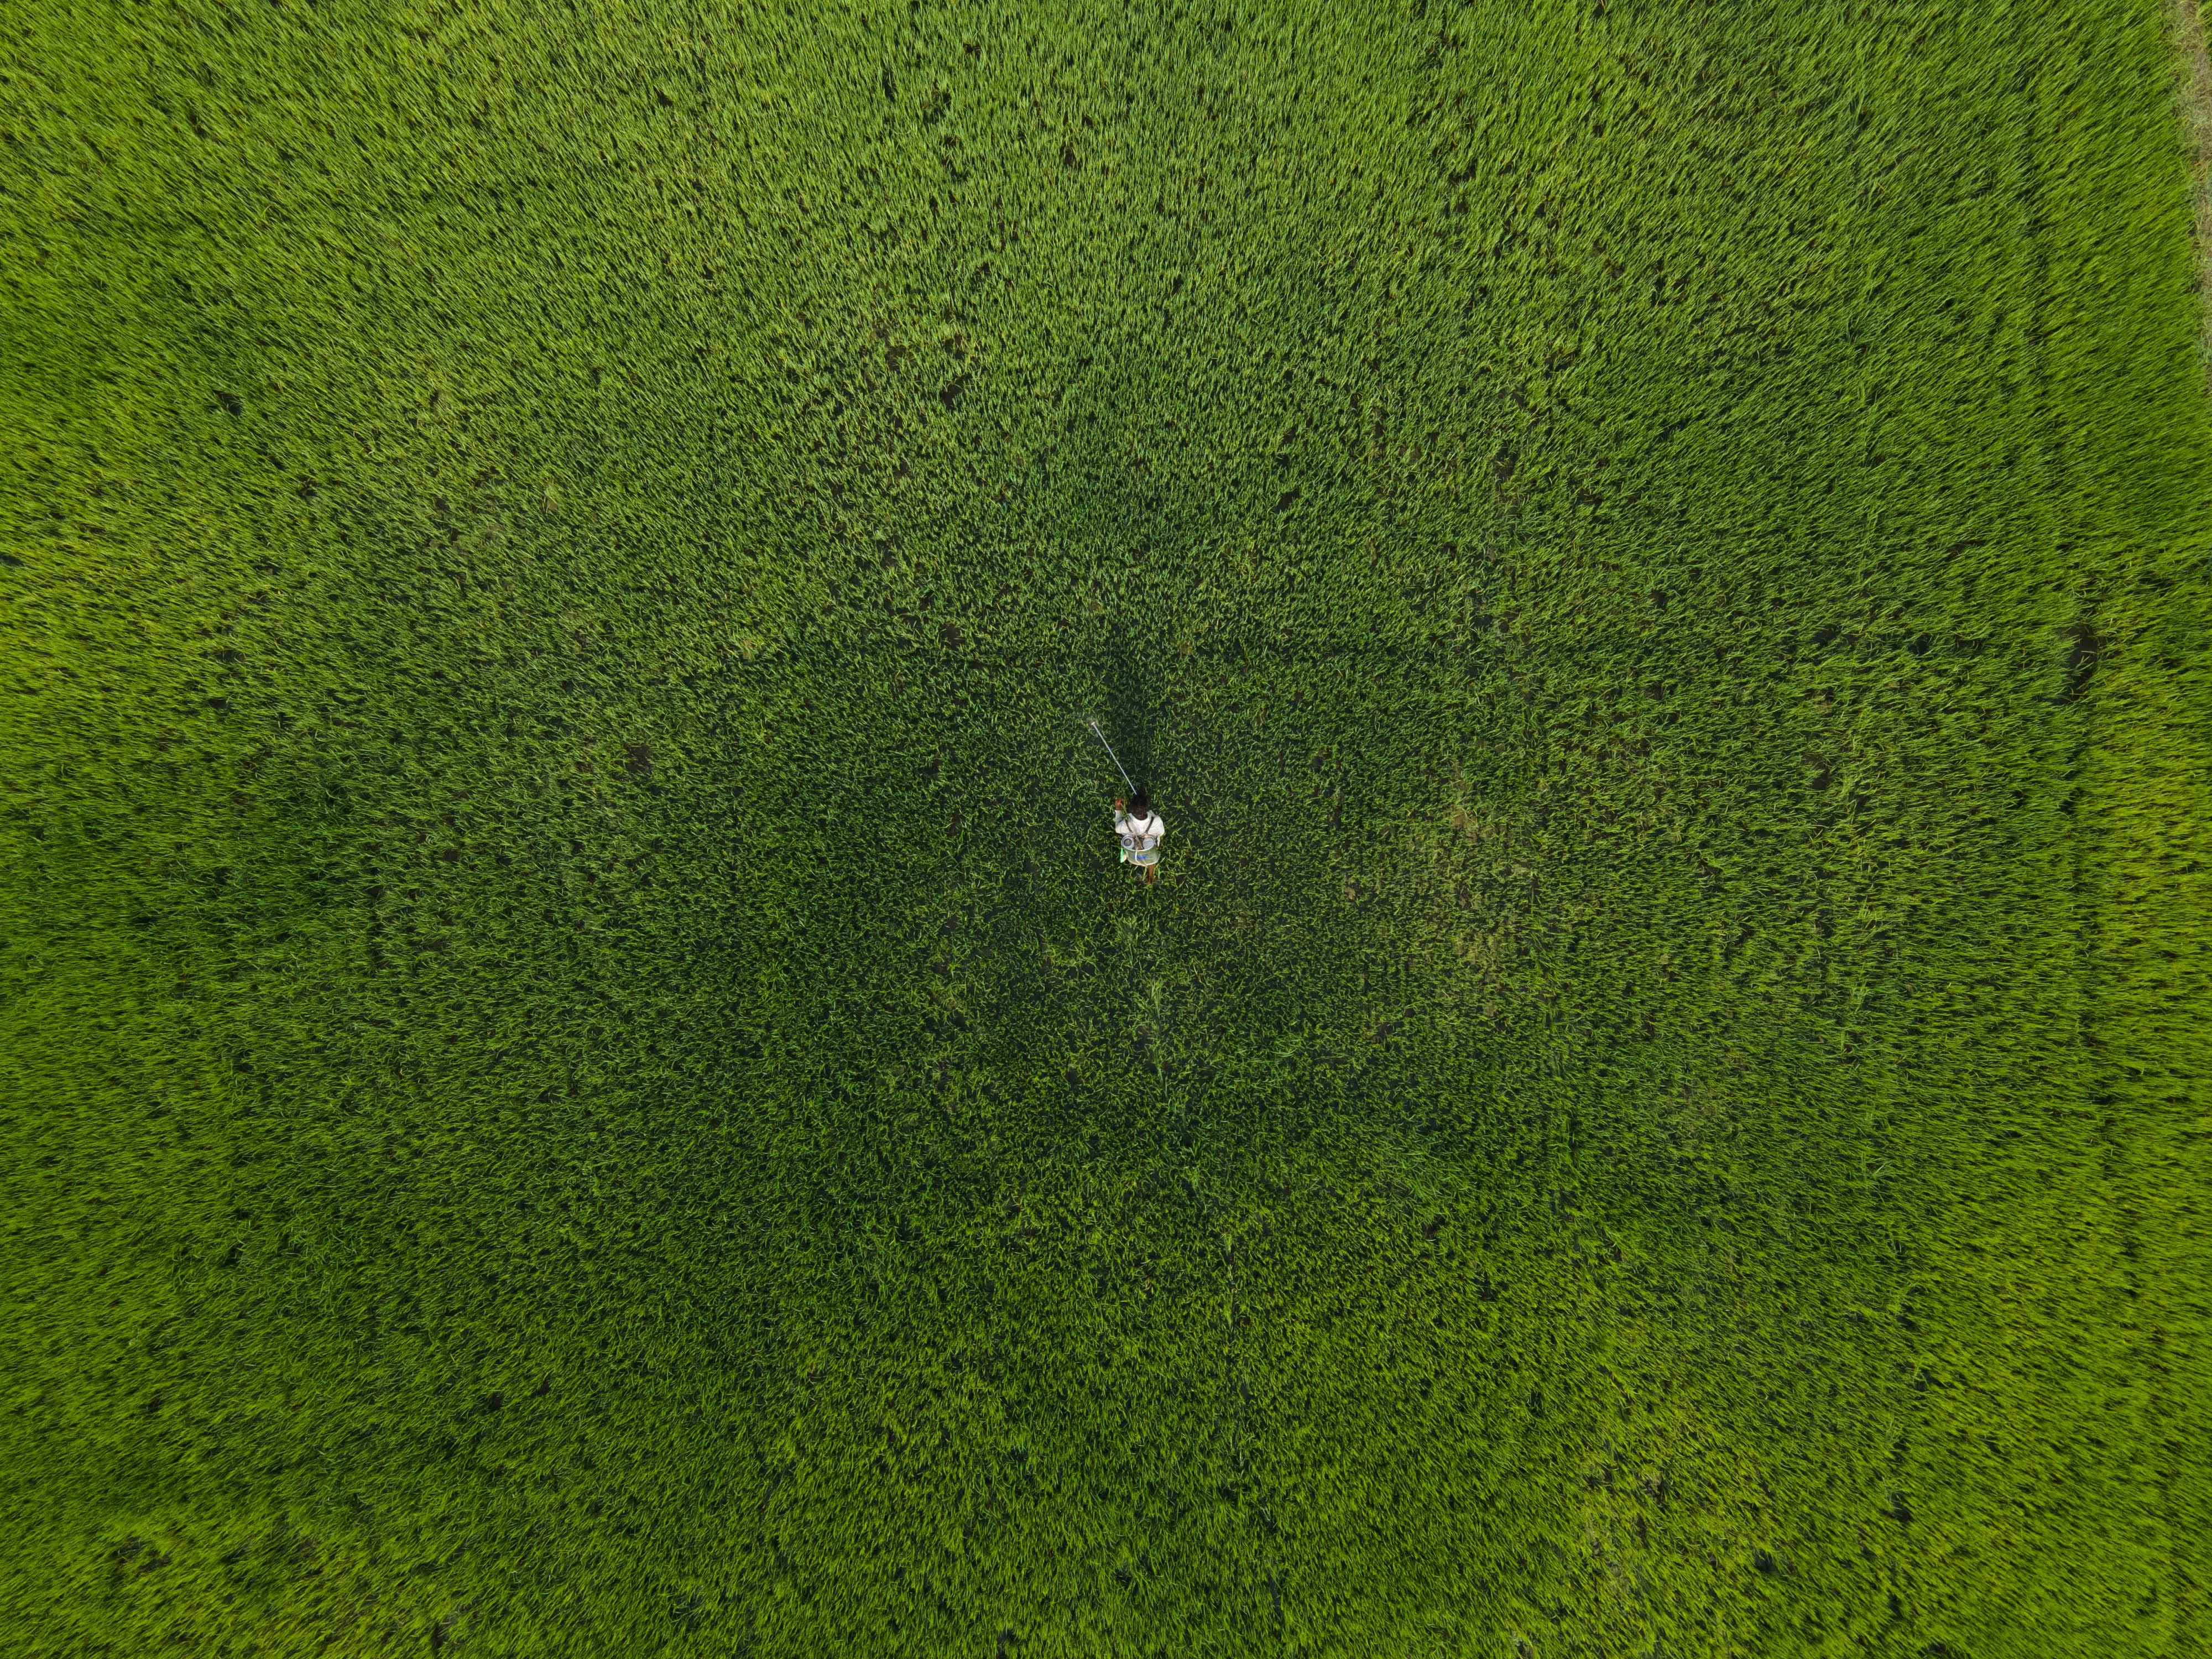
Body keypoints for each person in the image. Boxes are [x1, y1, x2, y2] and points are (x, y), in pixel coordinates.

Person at [1112, 792, 1166, 885]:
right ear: (1146, 809)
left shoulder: (1125, 824)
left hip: (1134, 855)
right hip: (1149, 852)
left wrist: (1118, 809)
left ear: (1131, 810)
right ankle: (1150, 878)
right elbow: (1161, 833)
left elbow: (1117, 829)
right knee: (1150, 853)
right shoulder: (1157, 821)